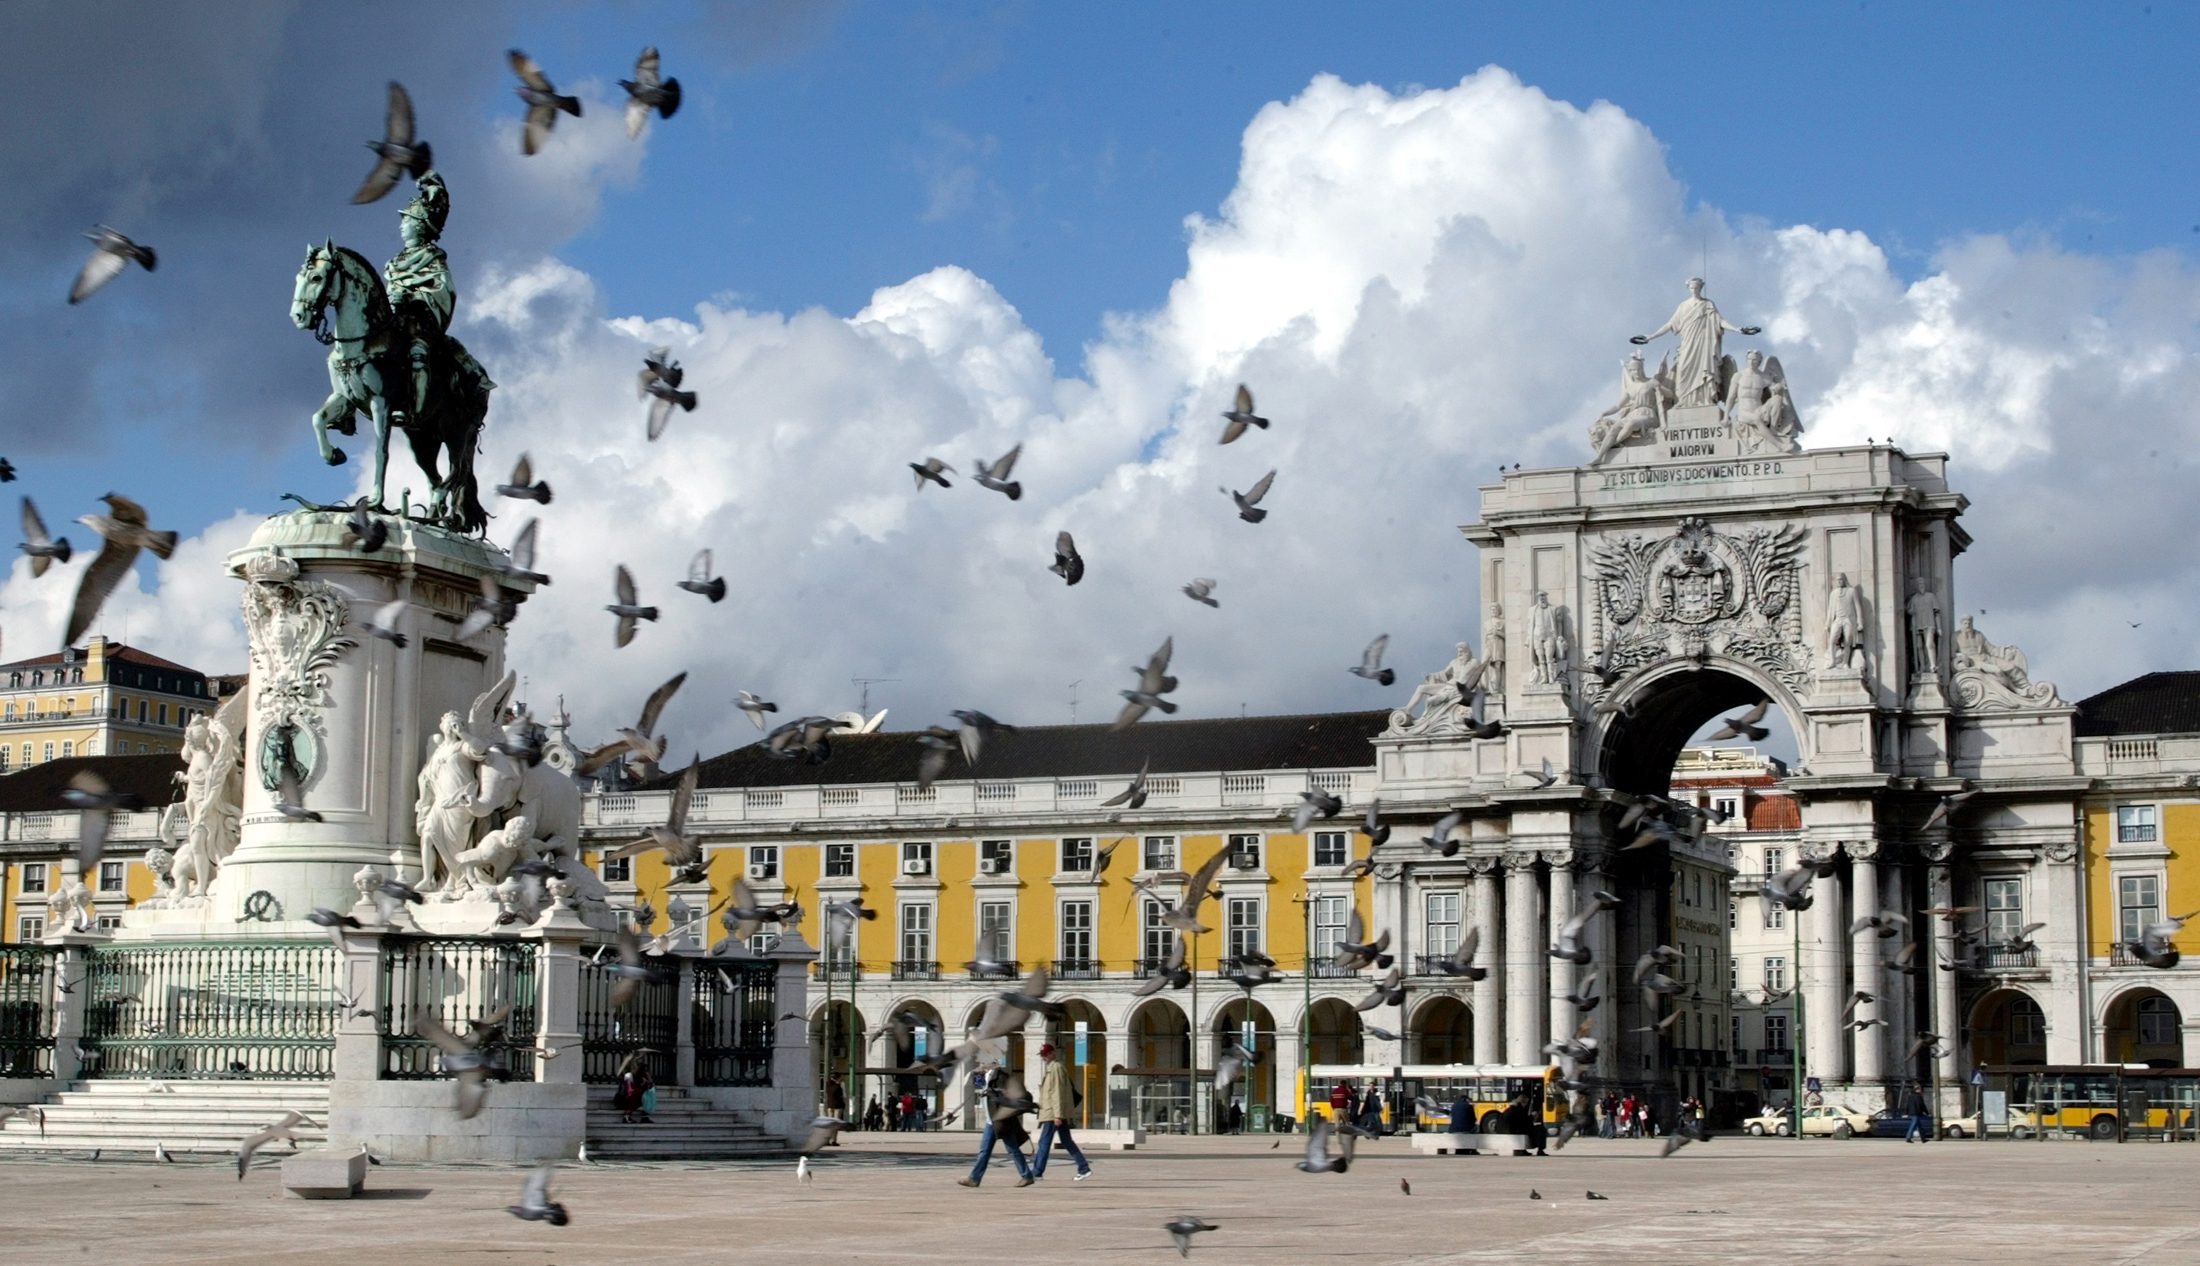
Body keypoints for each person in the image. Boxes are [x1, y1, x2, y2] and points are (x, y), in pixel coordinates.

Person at [959, 1066, 1035, 1189]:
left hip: (1001, 1121)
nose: (980, 1062)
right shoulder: (984, 1076)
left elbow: (1007, 1098)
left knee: (1013, 1150)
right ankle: (974, 1178)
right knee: (984, 1151)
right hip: (991, 1121)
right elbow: (972, 1087)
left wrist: (994, 1094)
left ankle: (1027, 1176)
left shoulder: (1001, 1076)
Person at [1032, 1043, 1093, 1182]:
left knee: (1044, 1142)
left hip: (1053, 1113)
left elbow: (1058, 1092)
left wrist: (1058, 1115)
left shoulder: (1056, 1068)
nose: (1044, 1058)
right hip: (1054, 1112)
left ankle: (1037, 1172)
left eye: (1046, 1055)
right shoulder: (1052, 1068)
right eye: (1042, 1056)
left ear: (1052, 1053)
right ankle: (1083, 1168)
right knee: (1066, 1141)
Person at [613, 1052, 653, 1124]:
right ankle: (626, 1117)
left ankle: (644, 1117)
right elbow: (629, 1091)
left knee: (648, 1092)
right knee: (637, 1091)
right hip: (622, 1100)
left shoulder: (642, 1080)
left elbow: (650, 1086)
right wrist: (635, 1059)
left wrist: (648, 1076)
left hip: (633, 1100)